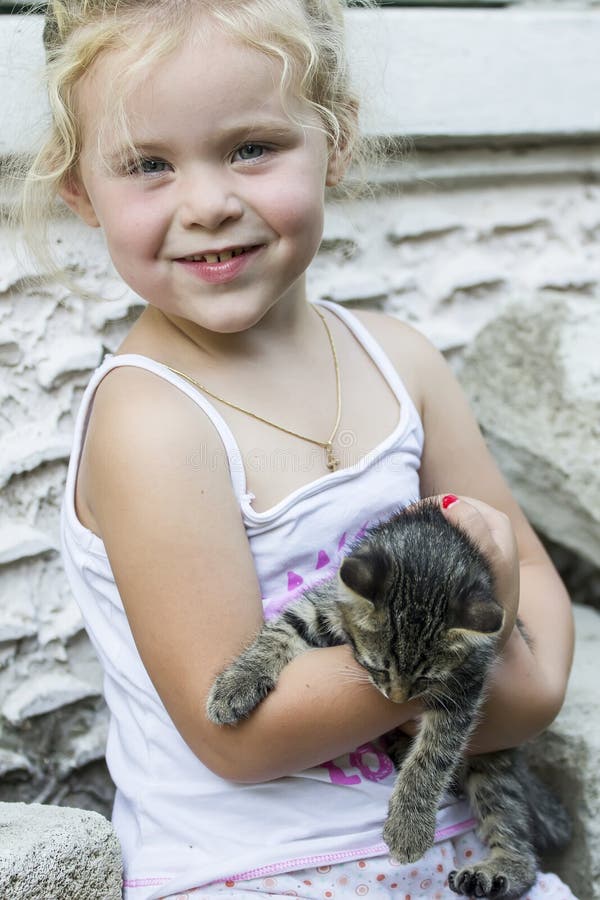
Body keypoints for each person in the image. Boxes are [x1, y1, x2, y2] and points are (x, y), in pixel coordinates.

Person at [21, 1, 575, 898]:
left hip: (467, 857)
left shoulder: (401, 364)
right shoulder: (153, 424)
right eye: (149, 164)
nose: (209, 204)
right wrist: (472, 633)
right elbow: (240, 734)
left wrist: (503, 632)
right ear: (79, 188)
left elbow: (536, 670)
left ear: (335, 141)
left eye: (252, 147)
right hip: (263, 872)